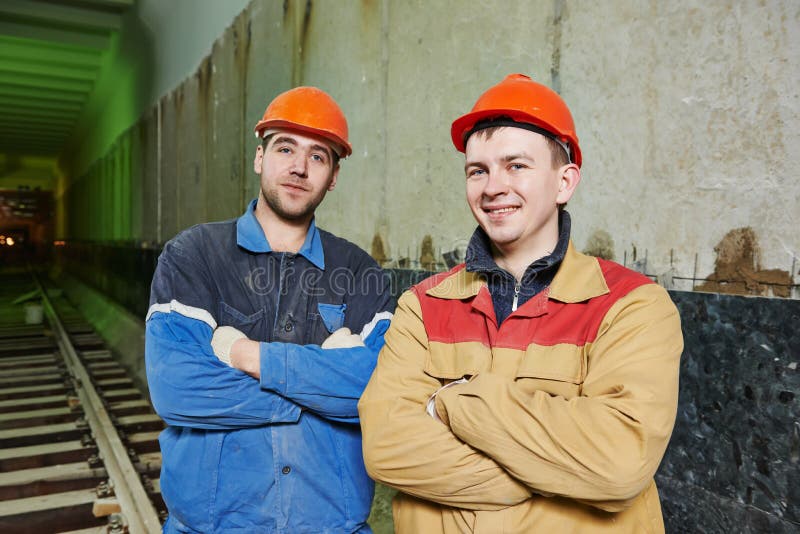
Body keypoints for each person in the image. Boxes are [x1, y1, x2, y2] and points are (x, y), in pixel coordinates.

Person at [358, 73, 683, 533]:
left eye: (516, 166)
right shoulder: (422, 306)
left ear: (564, 182)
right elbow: (386, 448)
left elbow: (618, 463)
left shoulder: (632, 306)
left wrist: (452, 401)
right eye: (478, 171)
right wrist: (550, 474)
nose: (493, 187)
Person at [145, 85, 394, 533]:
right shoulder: (194, 256)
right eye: (285, 148)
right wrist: (319, 389)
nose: (299, 167)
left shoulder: (360, 271)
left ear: (333, 176)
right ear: (260, 157)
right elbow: (177, 386)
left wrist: (247, 356)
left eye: (318, 156)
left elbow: (380, 390)